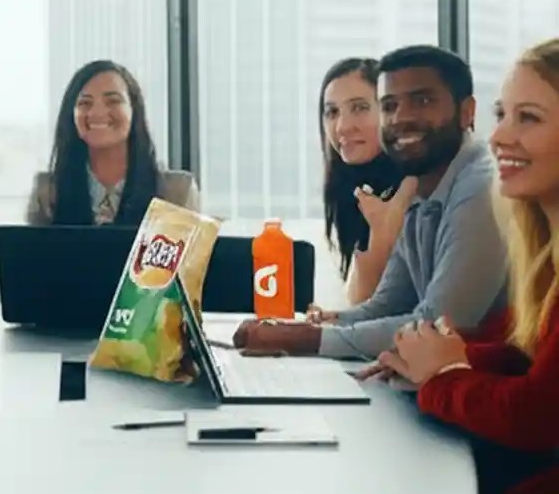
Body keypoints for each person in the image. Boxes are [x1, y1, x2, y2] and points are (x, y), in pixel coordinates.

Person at [234, 45, 508, 359]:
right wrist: (319, 325)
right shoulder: (424, 184)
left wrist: (308, 339)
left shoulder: (481, 187)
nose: (401, 118)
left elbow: (439, 325)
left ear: (467, 112)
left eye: (423, 101)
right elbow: (388, 304)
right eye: (389, 105)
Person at [374, 39, 559, 494]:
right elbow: (525, 352)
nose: (498, 138)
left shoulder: (472, 192)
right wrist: (440, 354)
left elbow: (536, 416)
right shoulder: (544, 254)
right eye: (504, 114)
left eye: (529, 118)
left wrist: (440, 376)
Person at [27, 60, 198, 227]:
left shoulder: (177, 192)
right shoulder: (47, 192)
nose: (97, 112)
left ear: (134, 111)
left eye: (113, 101)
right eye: (85, 103)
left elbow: (193, 256)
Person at [317, 57, 415, 305]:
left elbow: (363, 303)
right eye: (332, 112)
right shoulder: (360, 188)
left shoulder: (412, 188)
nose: (342, 126)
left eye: (359, 108)